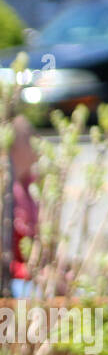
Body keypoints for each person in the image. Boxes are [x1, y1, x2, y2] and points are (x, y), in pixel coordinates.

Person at [5, 115, 37, 298]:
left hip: (30, 274)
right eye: (29, 140)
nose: (37, 149)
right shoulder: (8, 195)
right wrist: (33, 273)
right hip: (15, 279)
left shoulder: (28, 189)